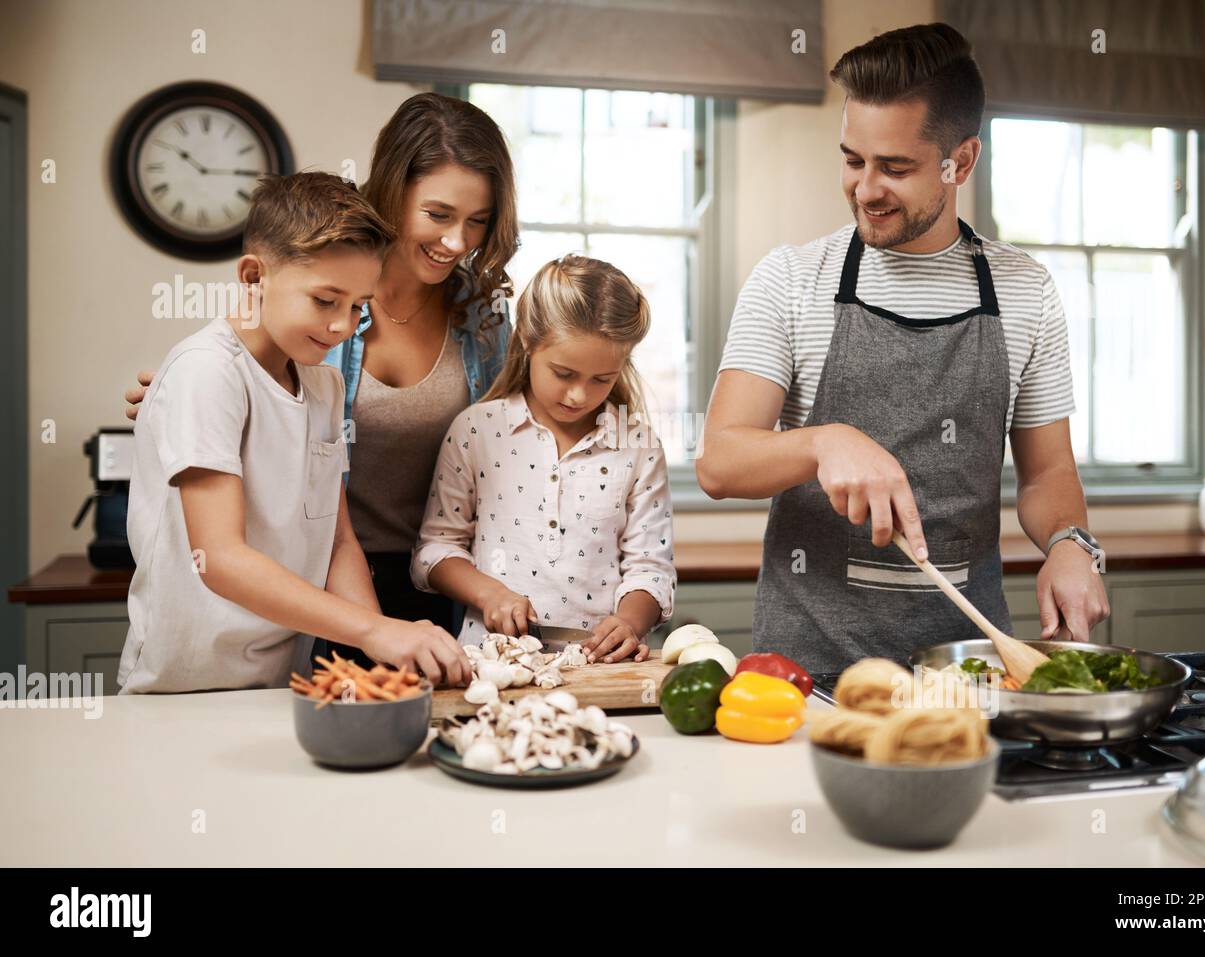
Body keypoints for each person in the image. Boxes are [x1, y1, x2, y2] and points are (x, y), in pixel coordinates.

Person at [697, 23, 1109, 674]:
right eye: (853, 159)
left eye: (894, 167)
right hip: (808, 676)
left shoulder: (1025, 292)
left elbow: (1047, 471)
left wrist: (1069, 542)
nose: (865, 188)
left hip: (965, 672)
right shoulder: (792, 279)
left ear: (961, 162)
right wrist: (820, 441)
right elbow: (719, 460)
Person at [120, 172, 471, 693]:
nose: (341, 326)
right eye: (325, 300)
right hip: (180, 683)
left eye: (358, 307)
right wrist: (375, 629)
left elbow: (336, 541)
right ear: (253, 275)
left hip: (281, 684)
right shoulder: (206, 371)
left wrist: (381, 659)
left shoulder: (325, 386)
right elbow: (218, 557)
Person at [412, 255, 676, 664]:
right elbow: (435, 550)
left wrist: (629, 622)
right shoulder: (477, 430)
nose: (578, 395)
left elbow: (651, 568)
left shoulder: (638, 444)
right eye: (563, 373)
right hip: (491, 663)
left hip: (600, 667)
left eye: (601, 380)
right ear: (527, 342)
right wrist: (490, 593)